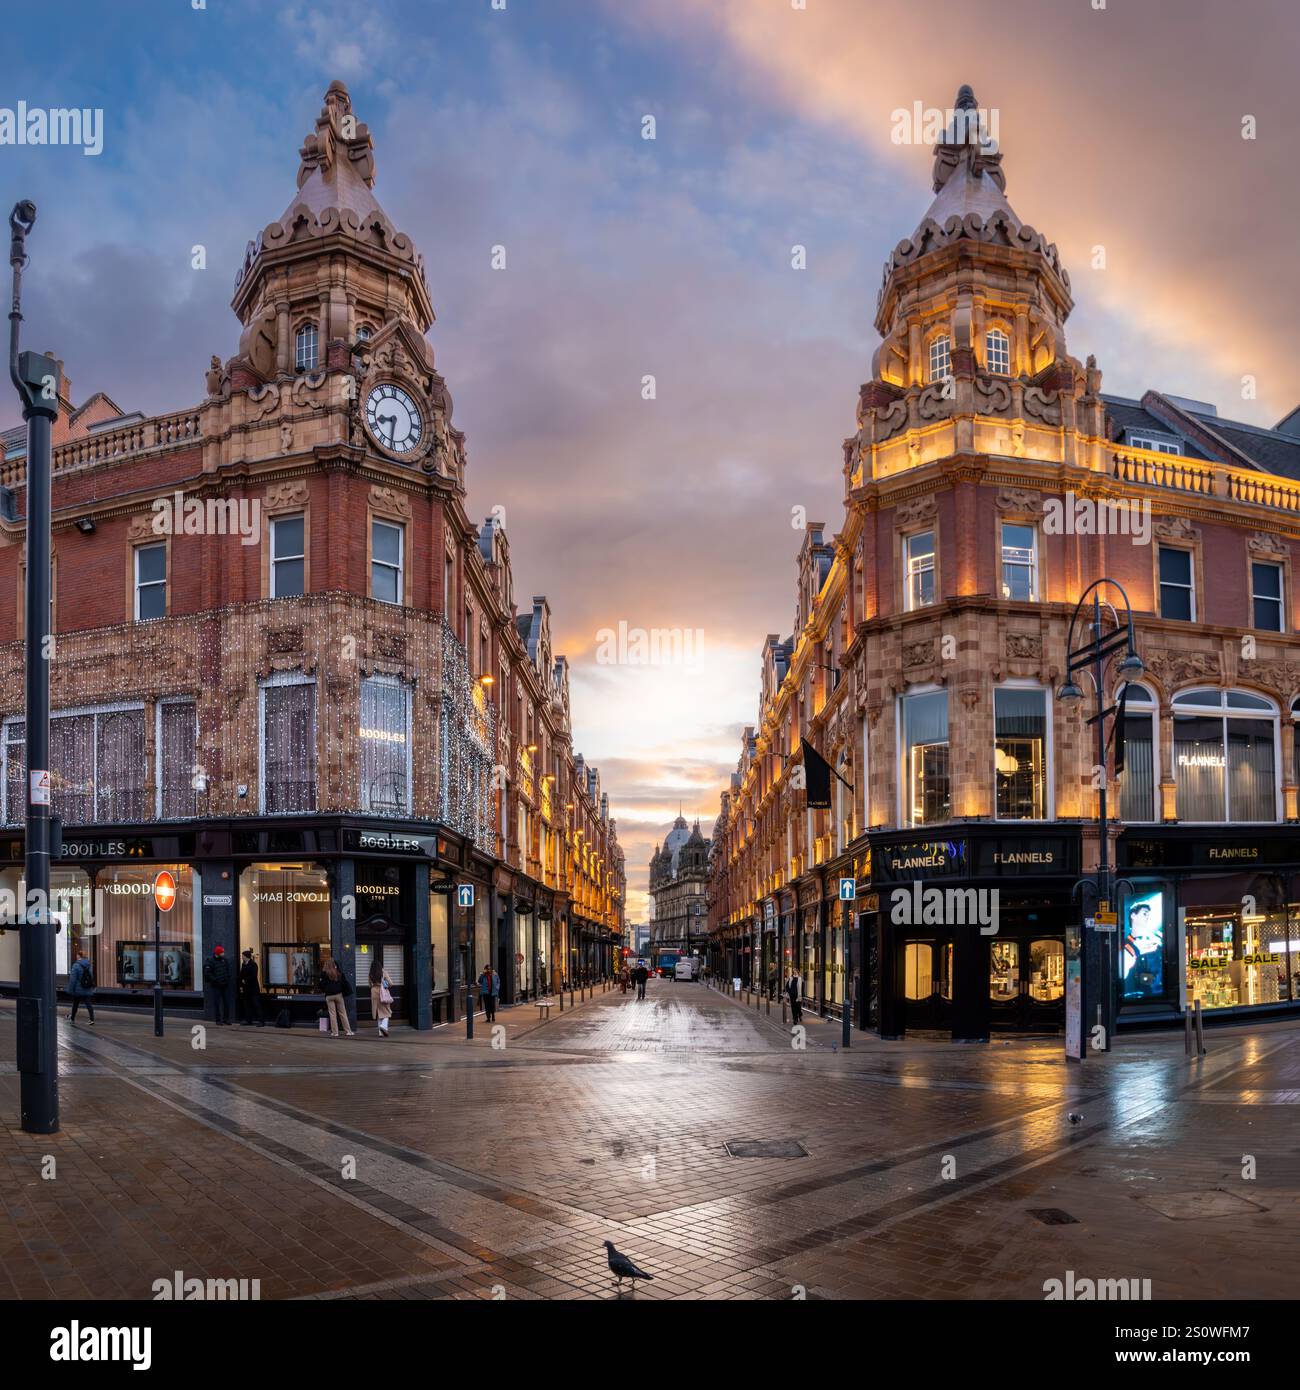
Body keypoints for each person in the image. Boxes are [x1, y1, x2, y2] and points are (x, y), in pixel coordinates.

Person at [320, 957, 355, 1037]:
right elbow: (344, 983)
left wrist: (325, 989)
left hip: (329, 996)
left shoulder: (324, 974)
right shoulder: (338, 973)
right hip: (338, 995)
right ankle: (348, 1031)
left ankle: (335, 1032)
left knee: (332, 1014)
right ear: (334, 965)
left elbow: (321, 984)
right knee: (343, 1013)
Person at [203, 945, 232, 1025]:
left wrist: (227, 979)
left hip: (225, 985)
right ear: (218, 953)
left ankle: (226, 1019)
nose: (223, 953)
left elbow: (228, 970)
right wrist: (215, 980)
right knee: (217, 1003)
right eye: (222, 952)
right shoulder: (210, 961)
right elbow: (207, 973)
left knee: (226, 1003)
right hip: (216, 986)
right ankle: (218, 1020)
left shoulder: (224, 960)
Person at [68, 948, 96, 1024]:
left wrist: (70, 989)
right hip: (87, 987)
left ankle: (72, 1018)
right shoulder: (88, 964)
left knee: (75, 1003)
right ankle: (92, 1019)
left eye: (77, 955)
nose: (76, 956)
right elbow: (91, 976)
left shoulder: (76, 965)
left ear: (78, 956)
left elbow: (73, 979)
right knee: (88, 1003)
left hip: (78, 989)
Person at [238, 948, 265, 1027]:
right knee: (247, 1005)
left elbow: (254, 975)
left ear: (247, 956)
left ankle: (261, 1021)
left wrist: (245, 980)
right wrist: (240, 984)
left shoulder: (253, 964)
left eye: (243, 956)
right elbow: (241, 974)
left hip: (253, 988)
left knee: (256, 1005)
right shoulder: (243, 964)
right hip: (246, 989)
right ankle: (248, 1020)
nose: (242, 957)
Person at [369, 955, 394, 1037]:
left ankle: (380, 1033)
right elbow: (391, 983)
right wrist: (386, 985)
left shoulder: (370, 974)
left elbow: (370, 985)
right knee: (387, 1012)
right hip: (382, 992)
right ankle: (383, 1026)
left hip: (374, 992)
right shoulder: (383, 972)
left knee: (379, 1013)